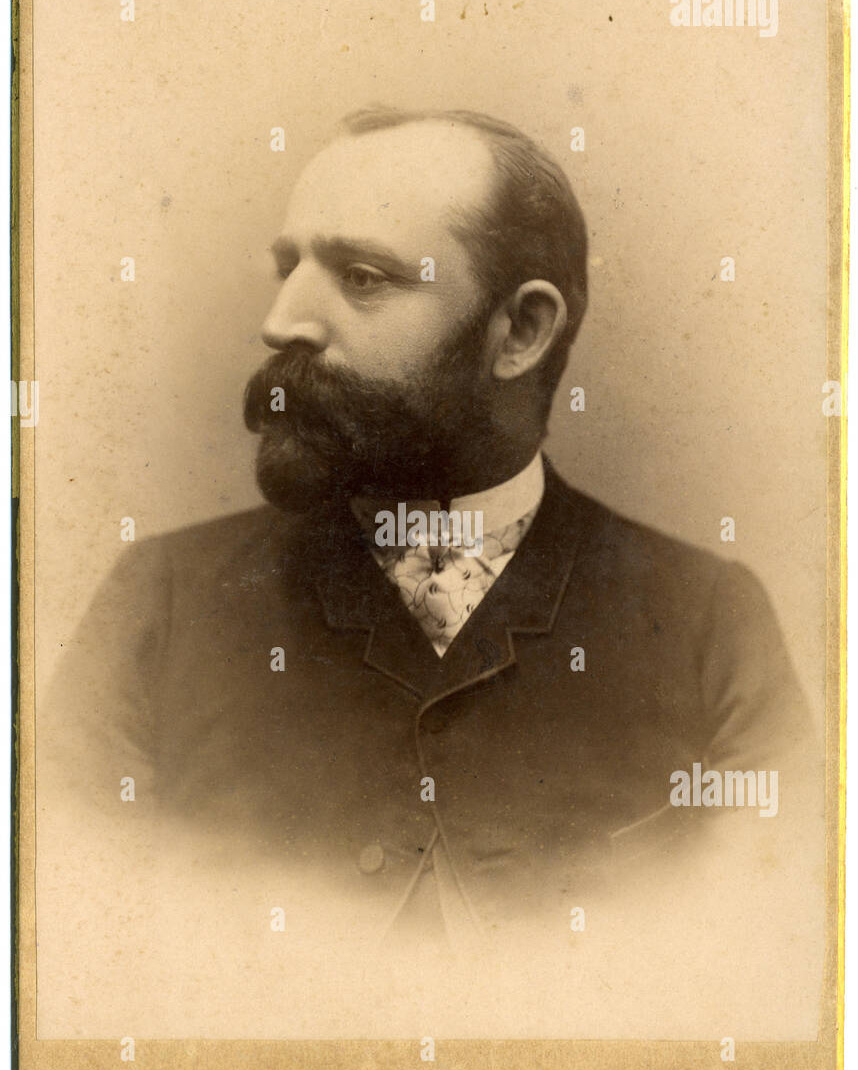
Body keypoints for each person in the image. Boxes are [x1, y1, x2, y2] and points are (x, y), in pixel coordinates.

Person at [45, 106, 813, 957]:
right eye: (288, 267)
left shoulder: (710, 623)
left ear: (520, 331)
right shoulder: (159, 601)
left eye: (364, 277)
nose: (282, 322)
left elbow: (761, 949)